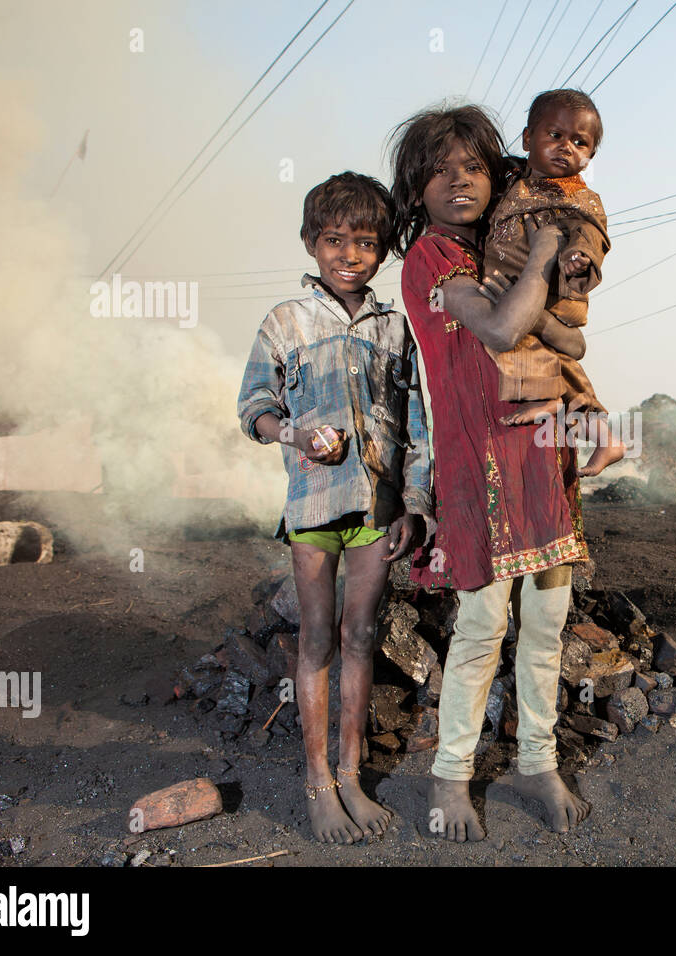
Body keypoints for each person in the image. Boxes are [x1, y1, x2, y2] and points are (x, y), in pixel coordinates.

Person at [389, 104, 591, 841]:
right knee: (479, 629)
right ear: (416, 191)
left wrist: (538, 261)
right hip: (478, 471)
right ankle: (451, 776)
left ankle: (538, 761)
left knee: (546, 624)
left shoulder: (499, 252)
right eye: (440, 171)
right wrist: (545, 249)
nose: (459, 181)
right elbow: (507, 327)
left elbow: (569, 335)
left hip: (540, 459)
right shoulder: (433, 263)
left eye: (473, 166)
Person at [237, 172, 430, 844]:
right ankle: (316, 782)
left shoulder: (395, 331)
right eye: (334, 240)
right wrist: (294, 433)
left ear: (383, 252)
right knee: (316, 638)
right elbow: (254, 409)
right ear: (310, 243)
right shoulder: (285, 322)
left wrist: (416, 505)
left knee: (360, 636)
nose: (349, 254)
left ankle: (351, 773)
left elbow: (417, 429)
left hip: (376, 510)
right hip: (312, 510)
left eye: (366, 243)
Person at [482, 89, 625, 477]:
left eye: (580, 142)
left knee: (527, 342)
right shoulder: (514, 179)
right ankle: (604, 435)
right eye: (555, 136)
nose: (567, 148)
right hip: (526, 292)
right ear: (528, 138)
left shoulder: (578, 197)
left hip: (551, 293)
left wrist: (579, 257)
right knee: (564, 364)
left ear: (590, 156)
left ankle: (547, 398)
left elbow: (589, 234)